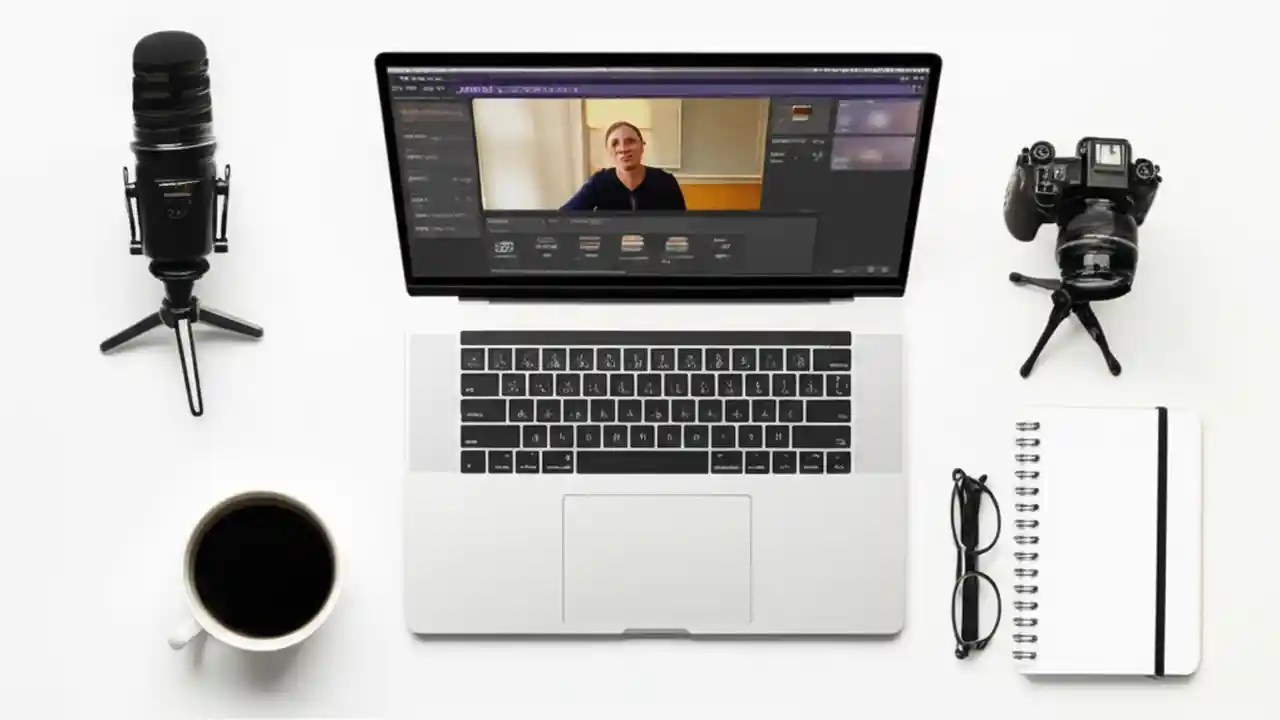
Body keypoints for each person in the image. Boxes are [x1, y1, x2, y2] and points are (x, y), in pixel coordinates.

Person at [561, 121, 687, 211]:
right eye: (615, 144)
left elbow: (682, 227)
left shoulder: (665, 181)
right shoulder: (598, 182)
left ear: (642, 146)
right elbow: (564, 217)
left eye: (630, 142)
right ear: (609, 151)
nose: (623, 149)